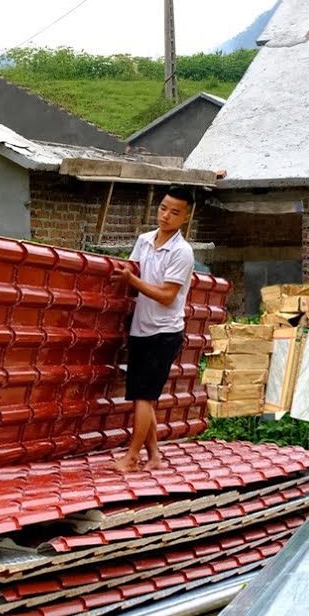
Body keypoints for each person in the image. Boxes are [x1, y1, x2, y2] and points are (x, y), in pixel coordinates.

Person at [111, 186, 196, 472]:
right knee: (140, 395)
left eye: (174, 212)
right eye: (163, 208)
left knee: (144, 396)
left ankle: (132, 457)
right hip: (140, 328)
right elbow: (132, 274)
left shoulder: (182, 252)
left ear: (185, 217)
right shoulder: (144, 241)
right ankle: (155, 457)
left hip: (164, 332)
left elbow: (166, 295)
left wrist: (132, 283)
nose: (166, 216)